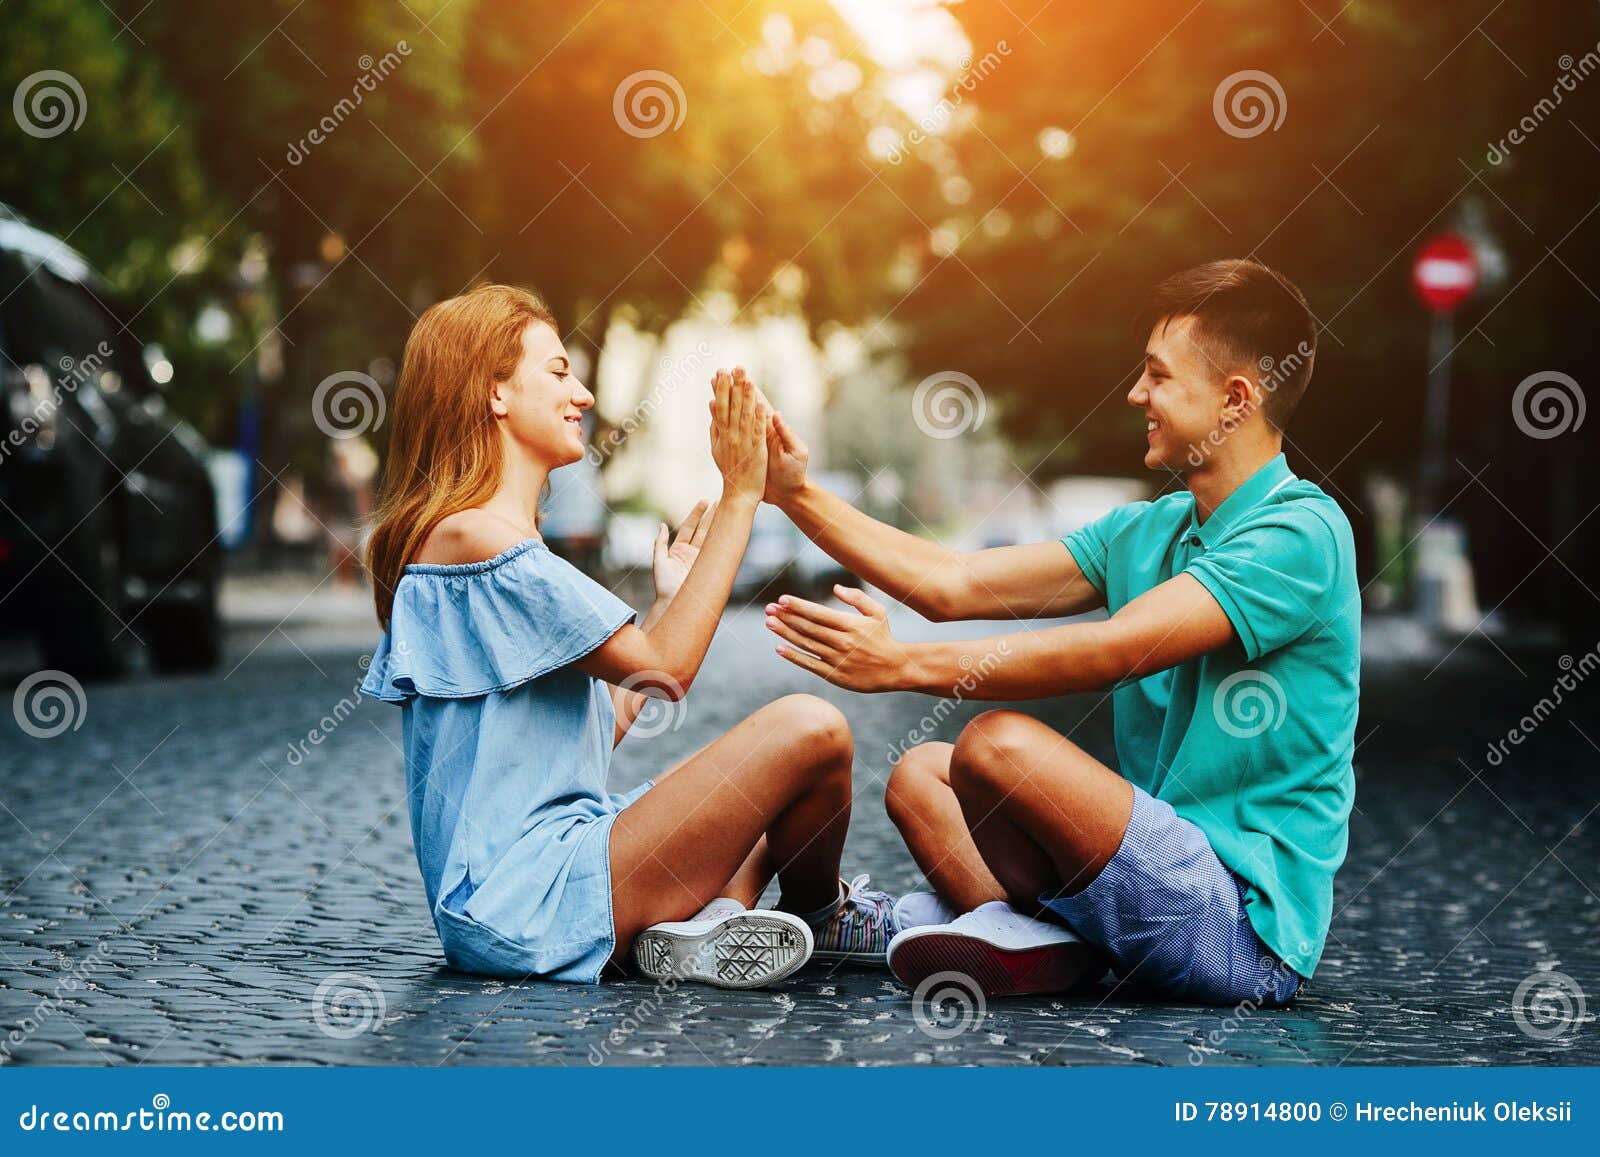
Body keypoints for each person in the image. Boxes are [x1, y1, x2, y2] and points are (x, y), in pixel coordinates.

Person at [750, 260, 1358, 1007]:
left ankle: (1022, 926)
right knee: (923, 776)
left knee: (997, 744)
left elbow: (1115, 647)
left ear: (1236, 399)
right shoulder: (1152, 528)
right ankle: (1051, 941)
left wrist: (901, 663)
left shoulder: (1302, 531)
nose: (1138, 394)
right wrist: (794, 494)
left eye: (1159, 376)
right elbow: (953, 583)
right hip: (1153, 871)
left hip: (1241, 927)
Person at [360, 285, 895, 988]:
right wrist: (741, 492)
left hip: (545, 882)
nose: (581, 394)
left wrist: (673, 597)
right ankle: (822, 916)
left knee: (774, 808)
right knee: (812, 729)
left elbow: (585, 732)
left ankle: (692, 930)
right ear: (494, 393)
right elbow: (669, 670)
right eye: (557, 372)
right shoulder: (476, 540)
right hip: (530, 901)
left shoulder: (485, 542)